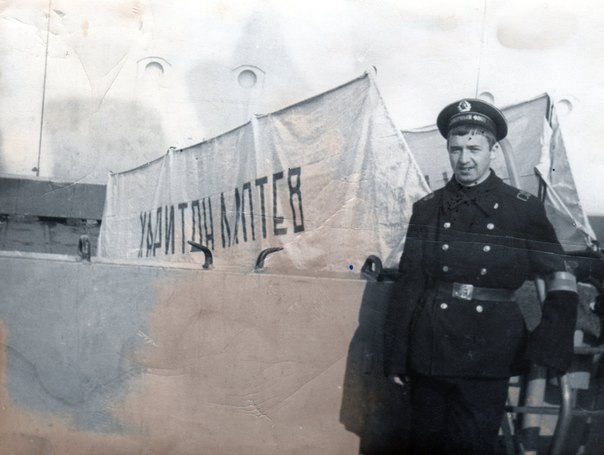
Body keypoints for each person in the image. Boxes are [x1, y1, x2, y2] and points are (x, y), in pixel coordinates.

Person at [383, 98, 579, 454]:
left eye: (474, 149)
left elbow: (560, 277)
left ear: (493, 151)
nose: (464, 159)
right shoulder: (427, 209)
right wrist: (397, 353)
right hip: (432, 344)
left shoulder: (522, 209)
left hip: (490, 349)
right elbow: (410, 283)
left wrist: (550, 343)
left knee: (474, 445)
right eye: (456, 149)